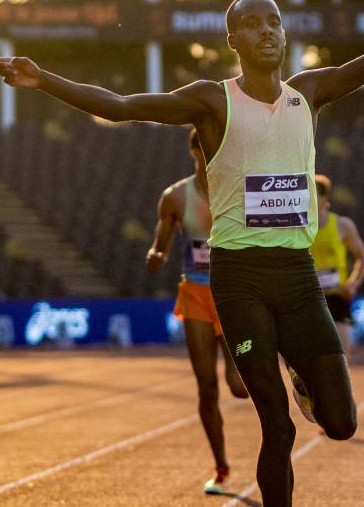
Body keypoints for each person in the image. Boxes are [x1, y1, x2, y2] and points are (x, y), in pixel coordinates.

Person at [0, 0, 364, 506]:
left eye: (274, 20)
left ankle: (304, 375)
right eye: (252, 23)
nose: (267, 30)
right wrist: (43, 81)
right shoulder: (212, 101)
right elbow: (121, 107)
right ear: (234, 42)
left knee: (343, 423)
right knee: (278, 427)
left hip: (297, 277)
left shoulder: (310, 94)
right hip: (239, 277)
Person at [147, 129, 249, 495]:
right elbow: (159, 245)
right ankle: (221, 467)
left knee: (239, 387)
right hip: (195, 294)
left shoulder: (238, 188)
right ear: (193, 150)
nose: (212, 152)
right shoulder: (175, 197)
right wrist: (155, 257)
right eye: (204, 146)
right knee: (207, 388)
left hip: (234, 294)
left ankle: (285, 379)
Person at [309, 174, 364, 359]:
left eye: (313, 194)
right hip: (308, 298)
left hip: (336, 297)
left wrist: (353, 282)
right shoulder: (299, 226)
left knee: (343, 358)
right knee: (310, 361)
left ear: (324, 198)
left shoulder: (342, 225)